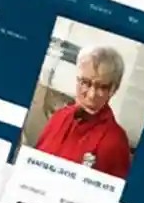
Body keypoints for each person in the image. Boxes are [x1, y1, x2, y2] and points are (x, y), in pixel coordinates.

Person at [34, 45, 132, 179]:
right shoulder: (59, 116)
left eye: (102, 87)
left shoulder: (115, 142)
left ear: (114, 89)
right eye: (85, 82)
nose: (91, 95)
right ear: (77, 79)